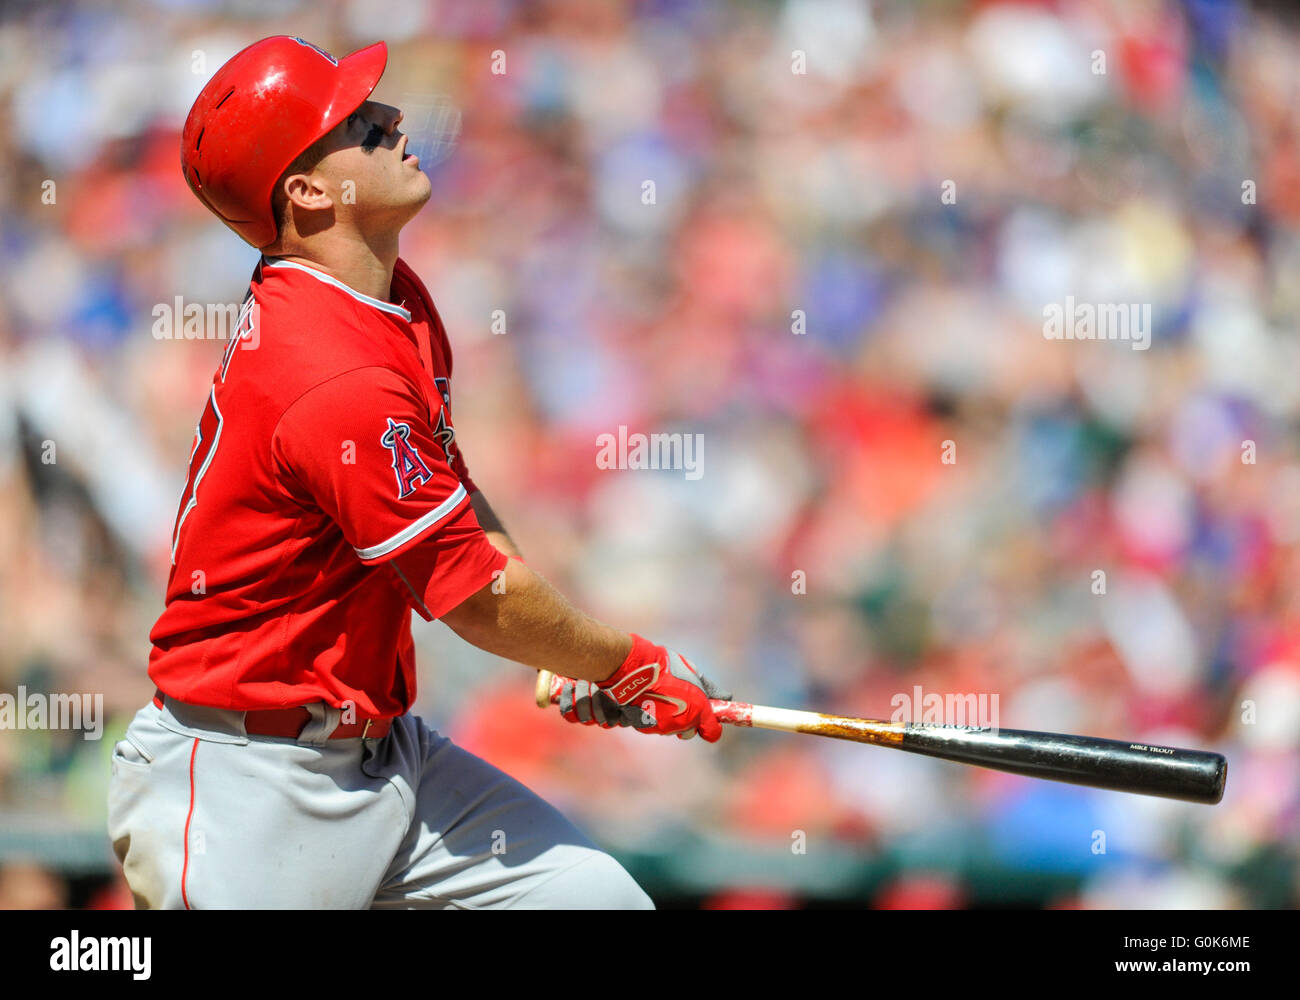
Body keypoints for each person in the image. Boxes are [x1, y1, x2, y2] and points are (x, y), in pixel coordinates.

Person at [106, 35, 726, 910]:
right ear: (308, 191)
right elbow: (473, 597)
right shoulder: (329, 366)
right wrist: (626, 661)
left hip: (380, 755)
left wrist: (572, 655)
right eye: (357, 121)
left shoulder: (390, 300)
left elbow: (462, 514)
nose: (392, 119)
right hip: (250, 787)